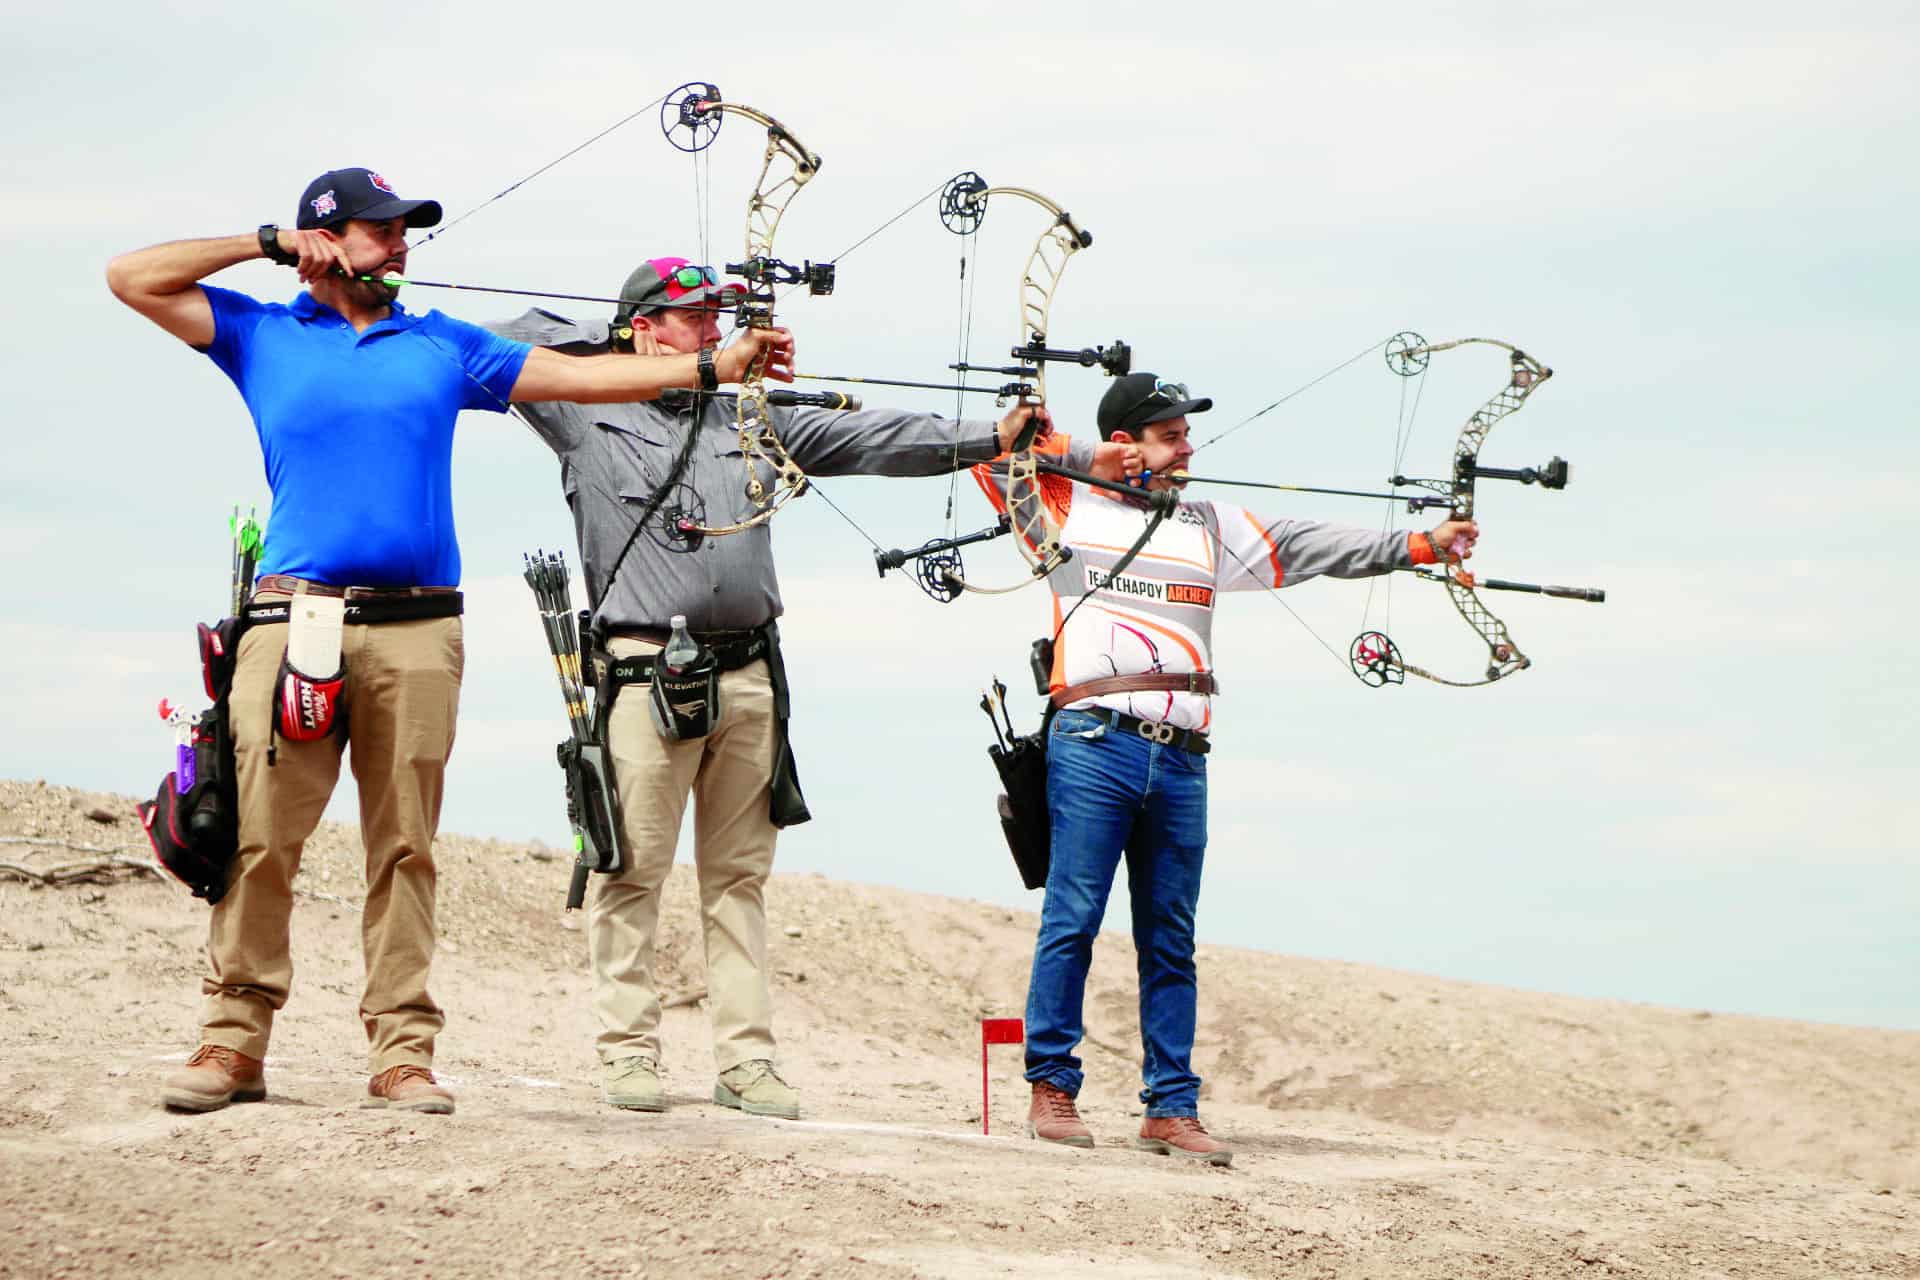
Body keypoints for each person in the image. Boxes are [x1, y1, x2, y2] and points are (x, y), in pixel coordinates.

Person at [106, 169, 795, 1117]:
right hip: (291, 621)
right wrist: (263, 243)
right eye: (379, 231)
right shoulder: (259, 332)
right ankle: (232, 1044)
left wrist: (710, 369)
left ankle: (402, 1052)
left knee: (405, 848)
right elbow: (130, 277)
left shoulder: (440, 344)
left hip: (420, 628)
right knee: (264, 842)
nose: (399, 247)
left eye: (404, 234)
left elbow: (585, 376)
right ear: (325, 237)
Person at [487, 259, 1139, 1120]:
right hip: (645, 671)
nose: (712, 331)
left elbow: (876, 436)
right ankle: (629, 1050)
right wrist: (653, 362)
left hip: (748, 671)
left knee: (739, 879)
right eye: (692, 319)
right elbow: (494, 341)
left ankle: (745, 1064)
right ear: (643, 329)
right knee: (632, 869)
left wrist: (994, 434)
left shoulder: (753, 418)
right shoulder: (582, 407)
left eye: (717, 321)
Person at [972, 371, 1478, 1166]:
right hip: (1094, 742)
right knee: (1073, 918)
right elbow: (999, 454)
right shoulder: (1065, 505)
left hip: (1181, 758)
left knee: (1170, 938)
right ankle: (1052, 1087)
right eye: (1169, 435)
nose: (1187, 449)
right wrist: (1086, 454)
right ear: (1126, 441)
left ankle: (1170, 1107)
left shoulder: (1208, 525)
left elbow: (1311, 544)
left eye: (1184, 434)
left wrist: (1417, 544)